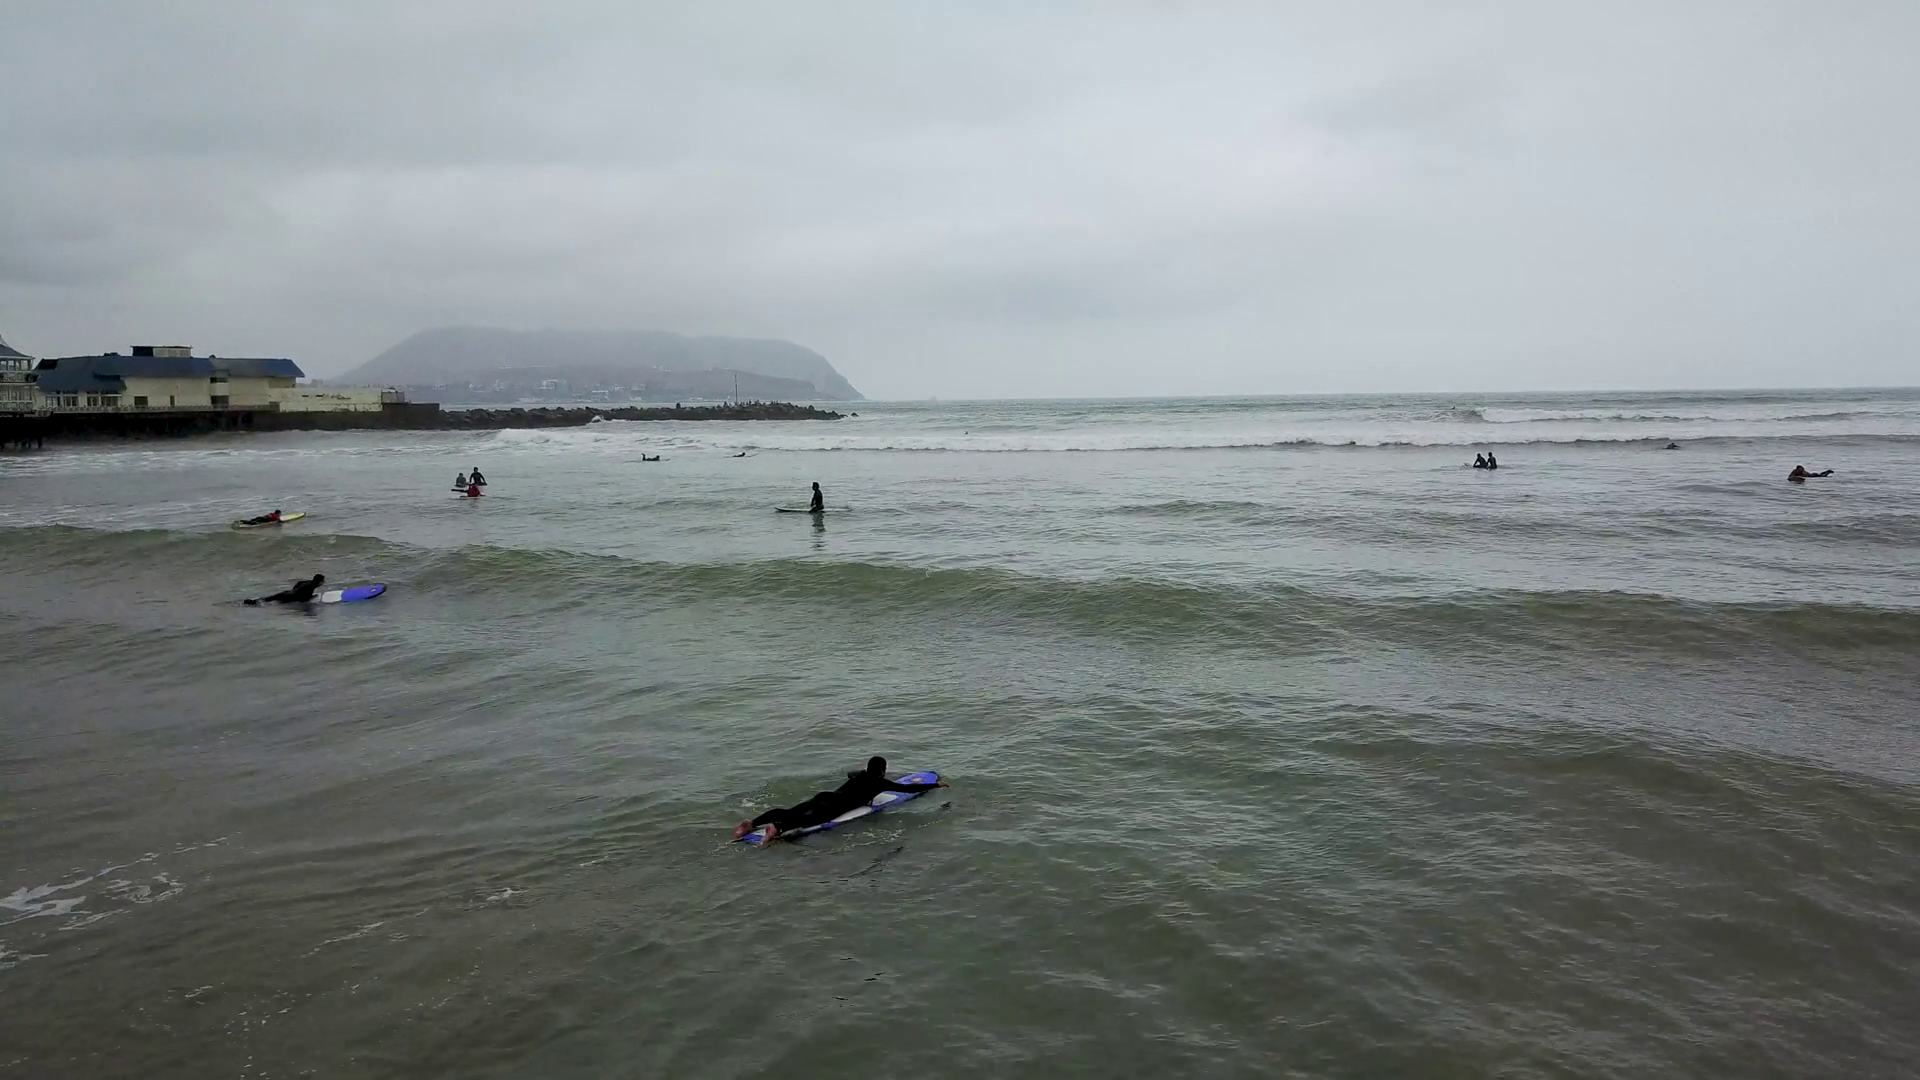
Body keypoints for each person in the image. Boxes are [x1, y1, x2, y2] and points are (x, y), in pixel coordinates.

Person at [734, 757, 946, 840]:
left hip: (827, 795)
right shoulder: (880, 782)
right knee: (811, 819)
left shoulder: (859, 775)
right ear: (882, 771)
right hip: (838, 805)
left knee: (793, 810)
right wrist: (935, 784)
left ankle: (752, 823)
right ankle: (777, 828)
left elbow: (850, 774)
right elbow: (907, 789)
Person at [245, 573, 325, 606]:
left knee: (268, 599)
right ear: (318, 581)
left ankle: (251, 602)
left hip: (288, 593)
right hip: (289, 597)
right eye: (322, 581)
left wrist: (294, 590)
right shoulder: (310, 587)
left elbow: (298, 583)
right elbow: (304, 599)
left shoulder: (308, 582)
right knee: (270, 601)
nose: (323, 582)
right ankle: (253, 604)